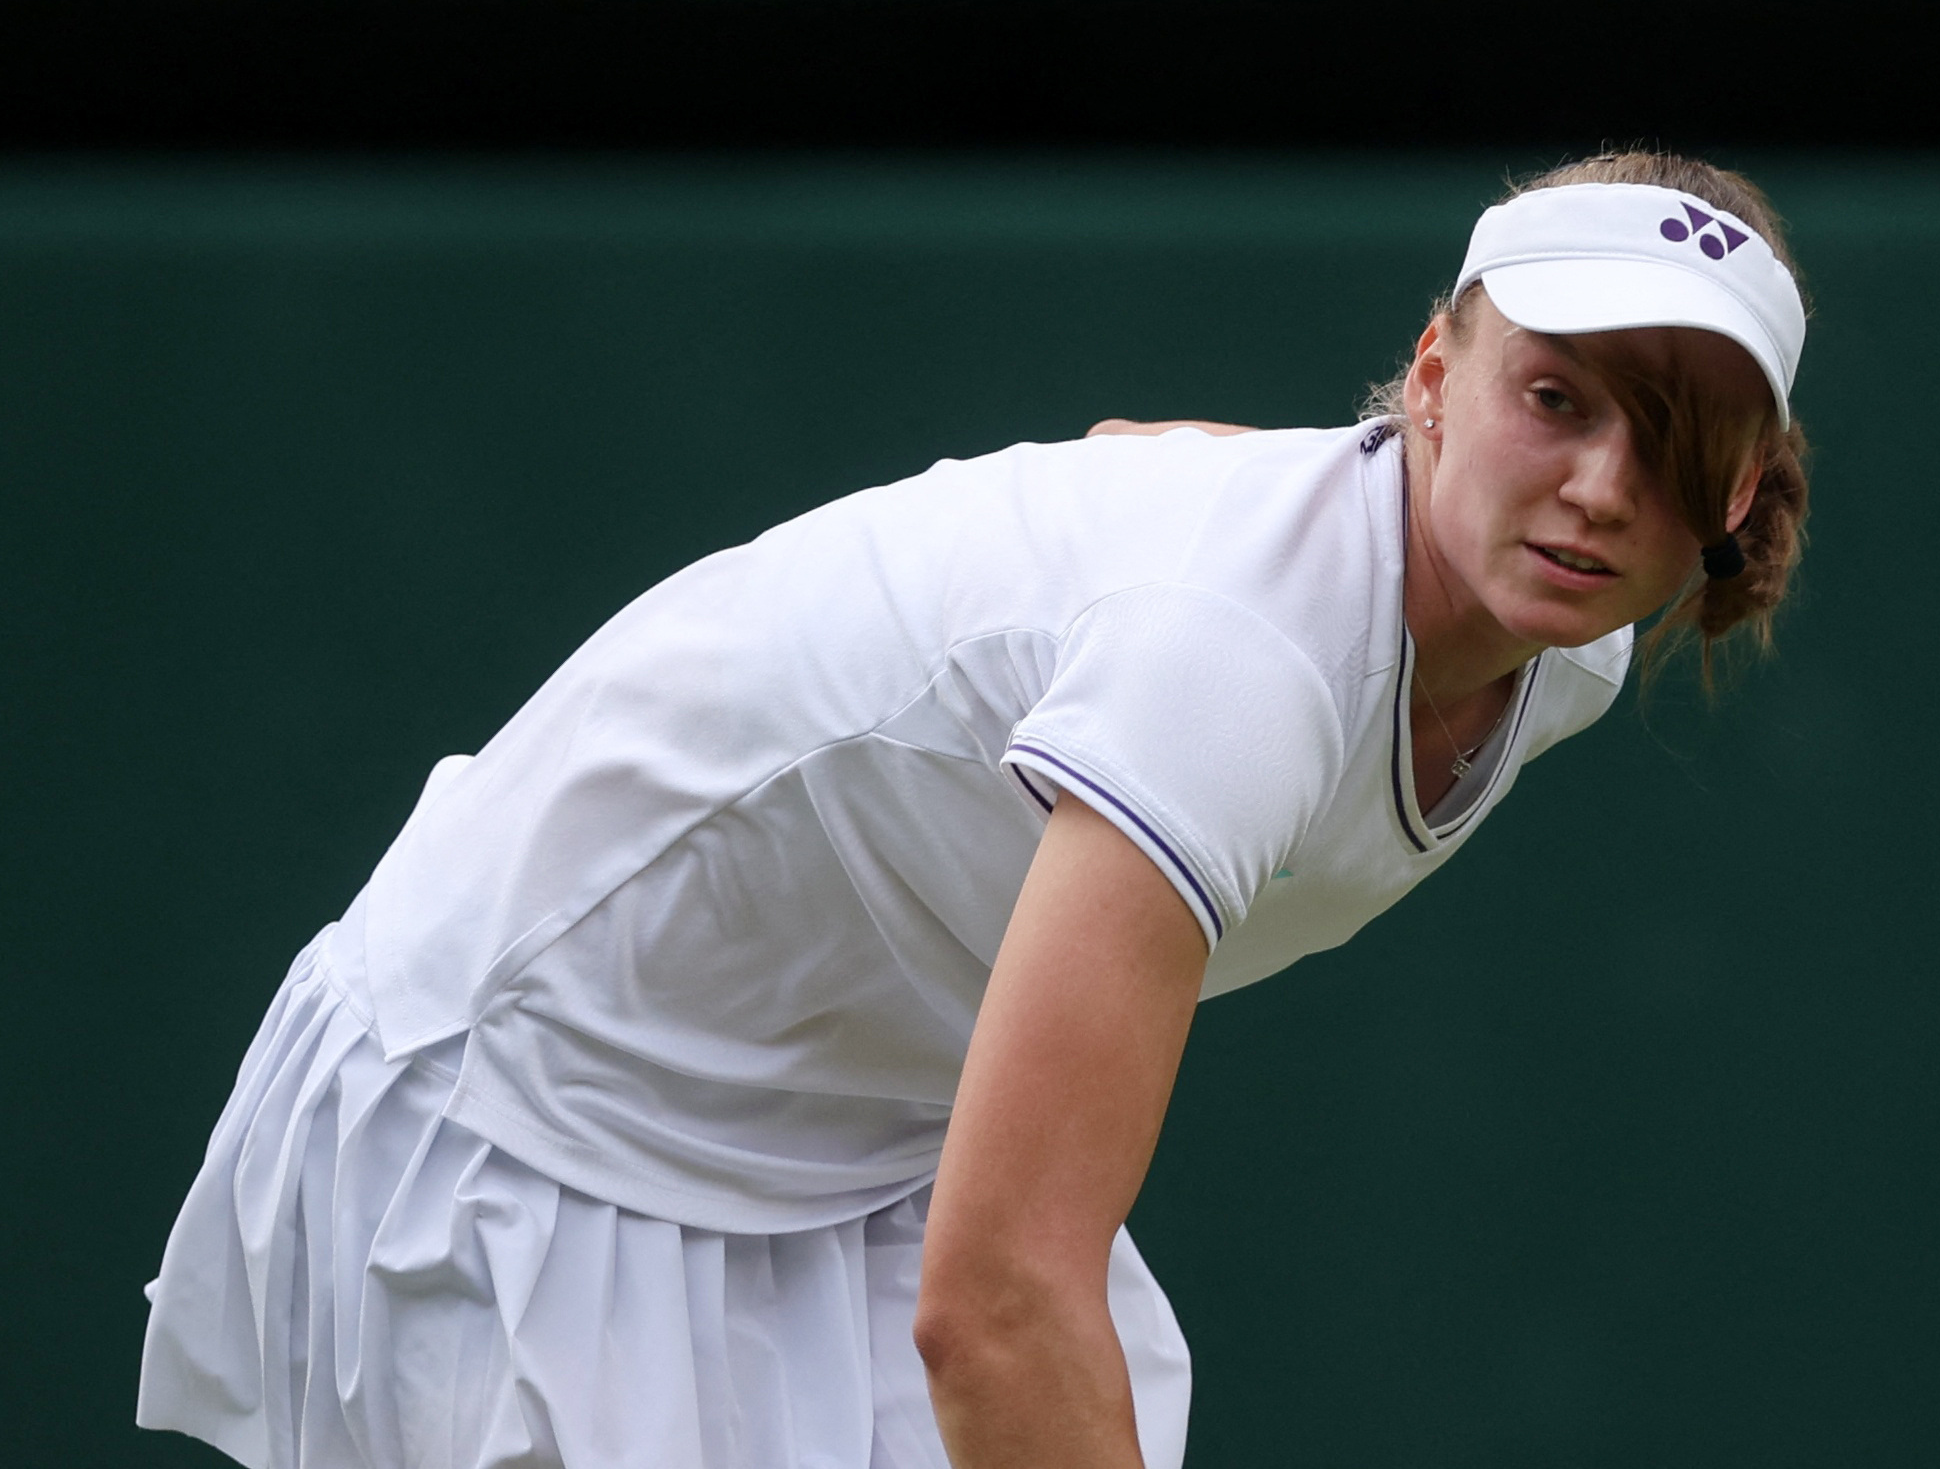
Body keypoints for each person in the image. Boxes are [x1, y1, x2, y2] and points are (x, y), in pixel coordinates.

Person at [135, 150, 1812, 1469]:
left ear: (1740, 490)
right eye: (1556, 400)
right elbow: (997, 1300)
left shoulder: (1553, 643)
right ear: (1435, 373)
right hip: (526, 1110)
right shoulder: (1229, 666)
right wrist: (1190, 605)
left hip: (839, 1154)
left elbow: (1143, 462)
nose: (1601, 488)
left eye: (1670, 443)